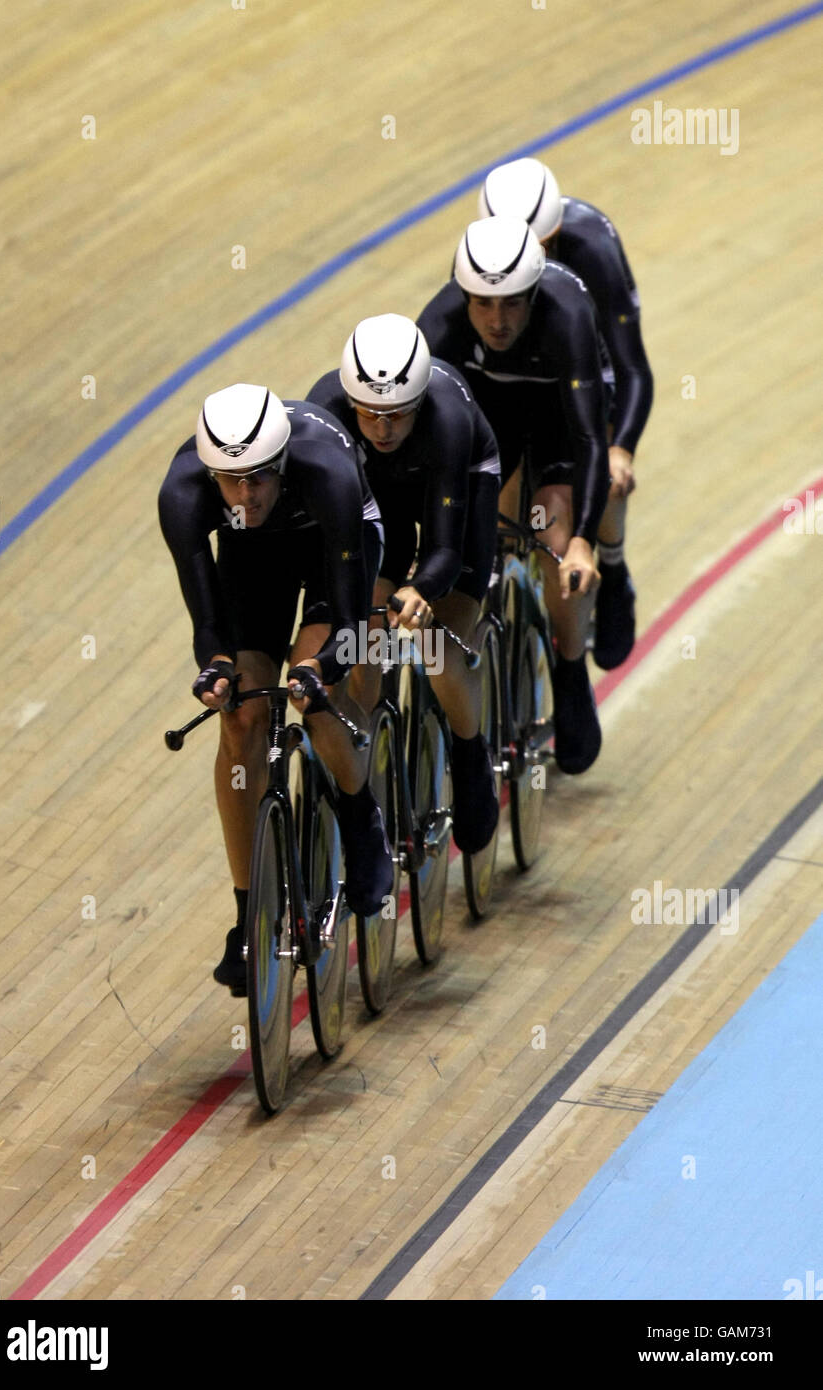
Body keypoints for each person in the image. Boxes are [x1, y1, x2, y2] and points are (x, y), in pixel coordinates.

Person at [158, 382, 393, 995]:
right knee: (239, 720)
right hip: (251, 565)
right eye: (231, 481)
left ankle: (358, 810)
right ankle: (247, 917)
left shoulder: (327, 471)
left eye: (258, 478)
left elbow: (347, 622)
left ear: (282, 463)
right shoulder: (183, 495)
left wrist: (322, 670)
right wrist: (214, 669)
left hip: (331, 549)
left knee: (316, 700)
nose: (245, 493)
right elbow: (207, 621)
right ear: (210, 475)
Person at [417, 215, 610, 774]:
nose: (496, 321)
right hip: (486, 424)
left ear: (533, 295)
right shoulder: (439, 328)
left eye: (510, 304)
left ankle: (570, 671)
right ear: (463, 296)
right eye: (482, 303)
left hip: (555, 421)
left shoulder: (567, 313)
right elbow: (430, 452)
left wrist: (581, 543)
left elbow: (589, 436)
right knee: (483, 526)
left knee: (553, 529)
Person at [308, 314, 501, 853]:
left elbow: (444, 546)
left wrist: (420, 590)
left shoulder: (446, 416)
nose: (384, 429)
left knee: (440, 644)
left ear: (418, 402)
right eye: (370, 414)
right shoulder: (324, 411)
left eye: (396, 414)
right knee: (367, 630)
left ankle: (469, 755)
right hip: (380, 507)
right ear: (349, 402)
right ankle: (364, 766)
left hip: (456, 488)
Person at [478, 157, 654, 668]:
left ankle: (614, 571)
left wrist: (621, 447)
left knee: (607, 475)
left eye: (540, 253)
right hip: (516, 381)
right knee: (500, 507)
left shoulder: (593, 250)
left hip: (585, 373)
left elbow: (632, 367)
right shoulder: (480, 262)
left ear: (555, 236)